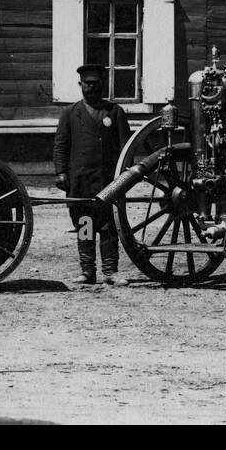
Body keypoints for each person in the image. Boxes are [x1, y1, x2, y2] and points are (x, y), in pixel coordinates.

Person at [53, 64, 131, 285]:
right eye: (88, 84)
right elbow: (60, 146)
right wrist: (61, 172)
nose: (92, 88)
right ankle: (87, 271)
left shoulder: (114, 112)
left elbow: (126, 148)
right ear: (81, 85)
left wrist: (124, 176)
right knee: (85, 224)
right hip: (80, 181)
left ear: (102, 85)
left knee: (108, 227)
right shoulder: (69, 114)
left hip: (108, 182)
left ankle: (110, 272)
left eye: (96, 84)